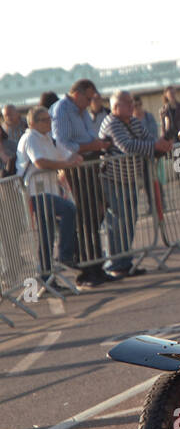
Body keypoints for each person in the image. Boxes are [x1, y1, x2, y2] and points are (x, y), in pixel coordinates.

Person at [98, 90, 172, 277]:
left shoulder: (134, 122)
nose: (132, 106)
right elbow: (127, 145)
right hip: (114, 179)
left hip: (130, 178)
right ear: (116, 107)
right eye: (127, 103)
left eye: (132, 102)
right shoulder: (111, 123)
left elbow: (148, 139)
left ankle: (125, 261)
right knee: (117, 221)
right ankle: (116, 263)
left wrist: (159, 143)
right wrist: (155, 146)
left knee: (130, 219)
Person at [15, 106, 88, 286]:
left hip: (49, 190)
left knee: (46, 236)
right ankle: (64, 255)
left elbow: (68, 154)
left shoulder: (49, 138)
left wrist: (75, 158)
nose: (49, 122)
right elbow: (39, 162)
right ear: (33, 123)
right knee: (68, 210)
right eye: (44, 120)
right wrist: (65, 163)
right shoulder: (31, 138)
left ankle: (48, 279)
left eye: (49, 119)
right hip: (35, 192)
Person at [50, 79, 110, 286]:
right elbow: (62, 142)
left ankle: (94, 263)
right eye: (88, 97)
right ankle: (86, 267)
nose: (90, 101)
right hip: (77, 166)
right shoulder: (62, 109)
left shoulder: (81, 110)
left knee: (99, 209)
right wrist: (89, 146)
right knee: (86, 215)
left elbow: (89, 135)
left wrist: (97, 144)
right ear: (77, 94)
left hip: (90, 162)